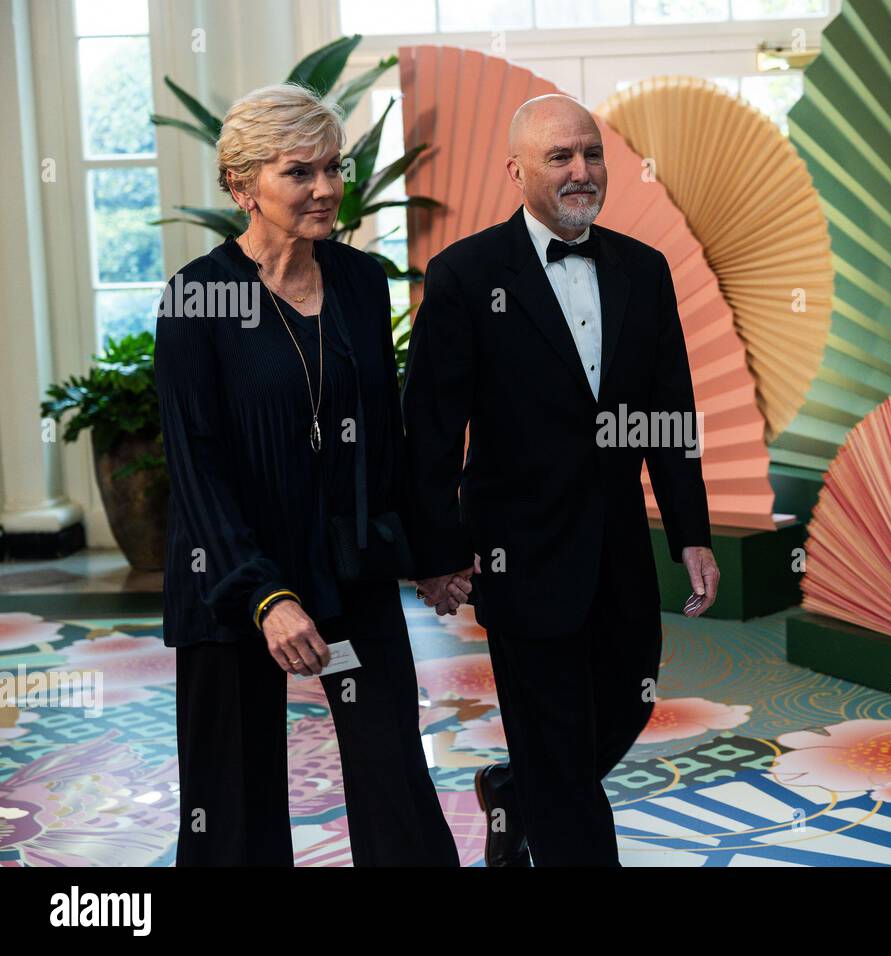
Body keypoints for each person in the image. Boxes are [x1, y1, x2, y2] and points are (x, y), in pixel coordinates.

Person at [402, 93, 721, 866]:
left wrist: (691, 534)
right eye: (559, 157)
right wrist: (436, 554)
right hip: (516, 551)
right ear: (517, 171)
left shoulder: (645, 271)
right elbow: (432, 432)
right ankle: (550, 811)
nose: (582, 171)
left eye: (591, 154)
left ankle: (515, 793)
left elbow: (669, 412)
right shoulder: (465, 276)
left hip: (617, 546)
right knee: (556, 740)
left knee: (624, 701)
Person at [156, 83, 462, 866]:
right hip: (233, 582)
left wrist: (428, 552)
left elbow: (385, 440)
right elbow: (198, 469)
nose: (326, 189)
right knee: (233, 804)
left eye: (334, 168)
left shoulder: (361, 281)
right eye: (300, 172)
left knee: (393, 769)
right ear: (241, 185)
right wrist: (264, 595)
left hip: (347, 569)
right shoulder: (198, 297)